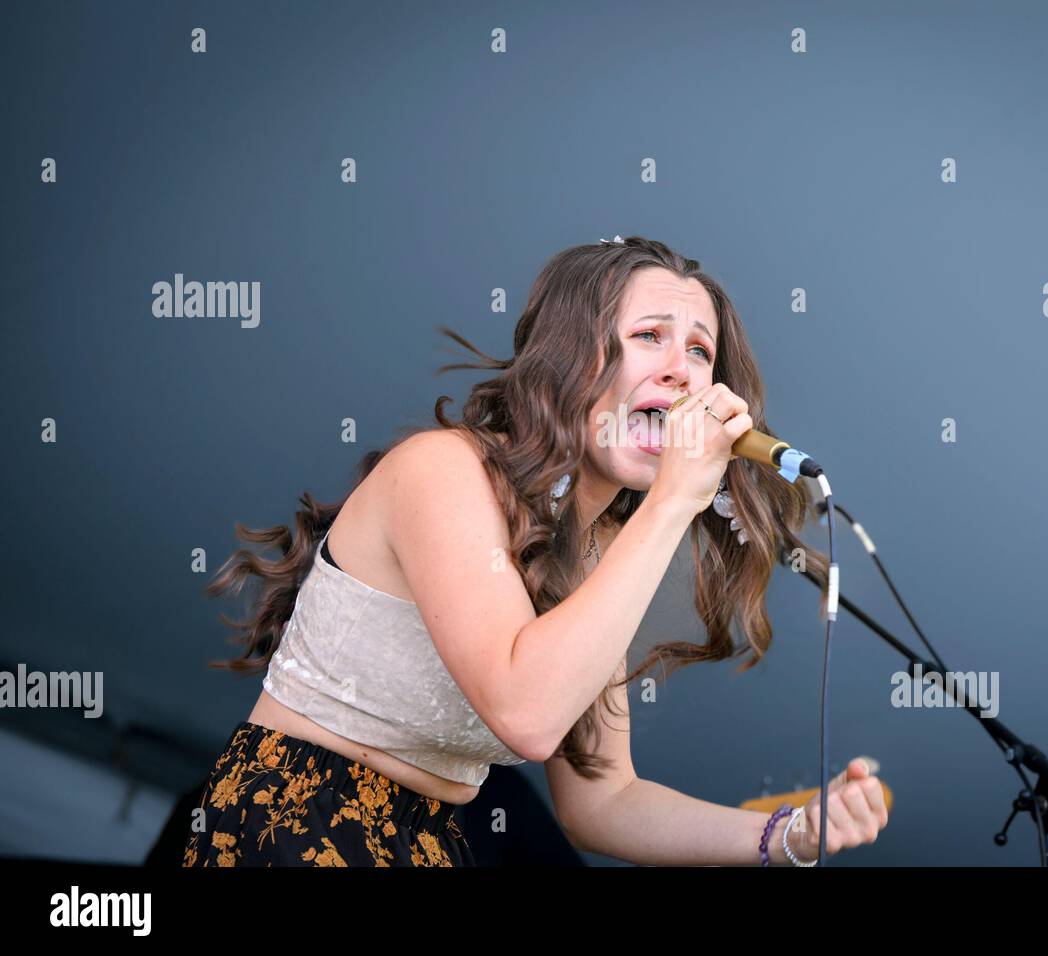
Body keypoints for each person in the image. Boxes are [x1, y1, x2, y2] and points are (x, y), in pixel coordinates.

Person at [181, 235, 888, 867]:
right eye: (650, 335)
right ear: (569, 360)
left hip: (429, 843)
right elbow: (526, 713)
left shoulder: (593, 558)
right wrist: (674, 500)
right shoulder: (442, 470)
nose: (682, 372)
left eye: (700, 351)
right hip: (294, 825)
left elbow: (603, 801)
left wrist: (786, 836)